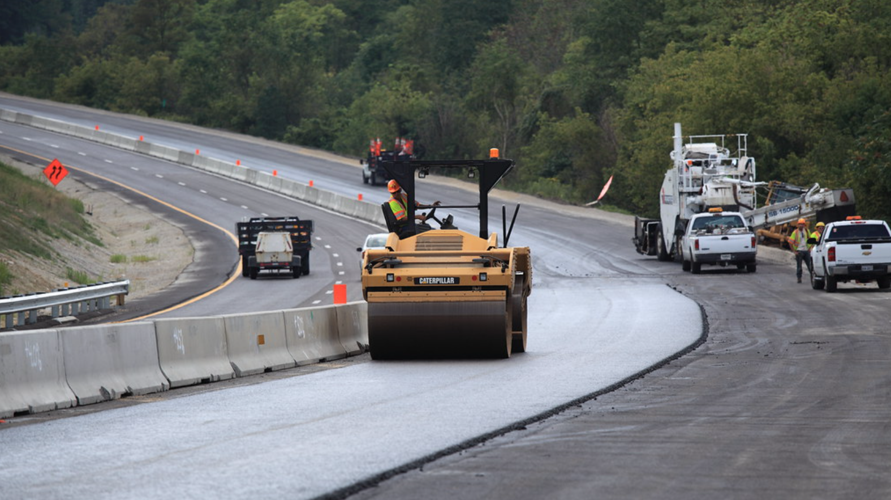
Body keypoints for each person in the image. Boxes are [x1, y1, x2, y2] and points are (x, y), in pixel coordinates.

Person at [787, 218, 813, 283]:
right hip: (799, 251)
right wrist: (794, 251)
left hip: (806, 250)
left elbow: (810, 240)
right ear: (798, 225)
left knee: (810, 266)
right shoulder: (795, 232)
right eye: (800, 224)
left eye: (802, 224)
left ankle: (813, 278)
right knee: (799, 266)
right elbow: (790, 242)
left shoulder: (807, 231)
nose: (801, 225)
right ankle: (799, 278)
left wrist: (810, 248)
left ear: (804, 225)